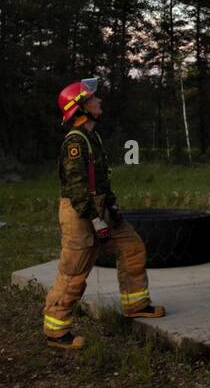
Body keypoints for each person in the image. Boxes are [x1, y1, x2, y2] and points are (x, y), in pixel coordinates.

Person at [43, 78, 165, 350]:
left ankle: (136, 304)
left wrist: (111, 208)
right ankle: (56, 330)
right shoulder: (75, 143)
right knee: (74, 272)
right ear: (81, 108)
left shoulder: (92, 136)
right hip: (80, 214)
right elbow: (76, 190)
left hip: (99, 209)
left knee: (131, 247)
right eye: (93, 99)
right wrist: (96, 220)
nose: (99, 102)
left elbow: (99, 181)